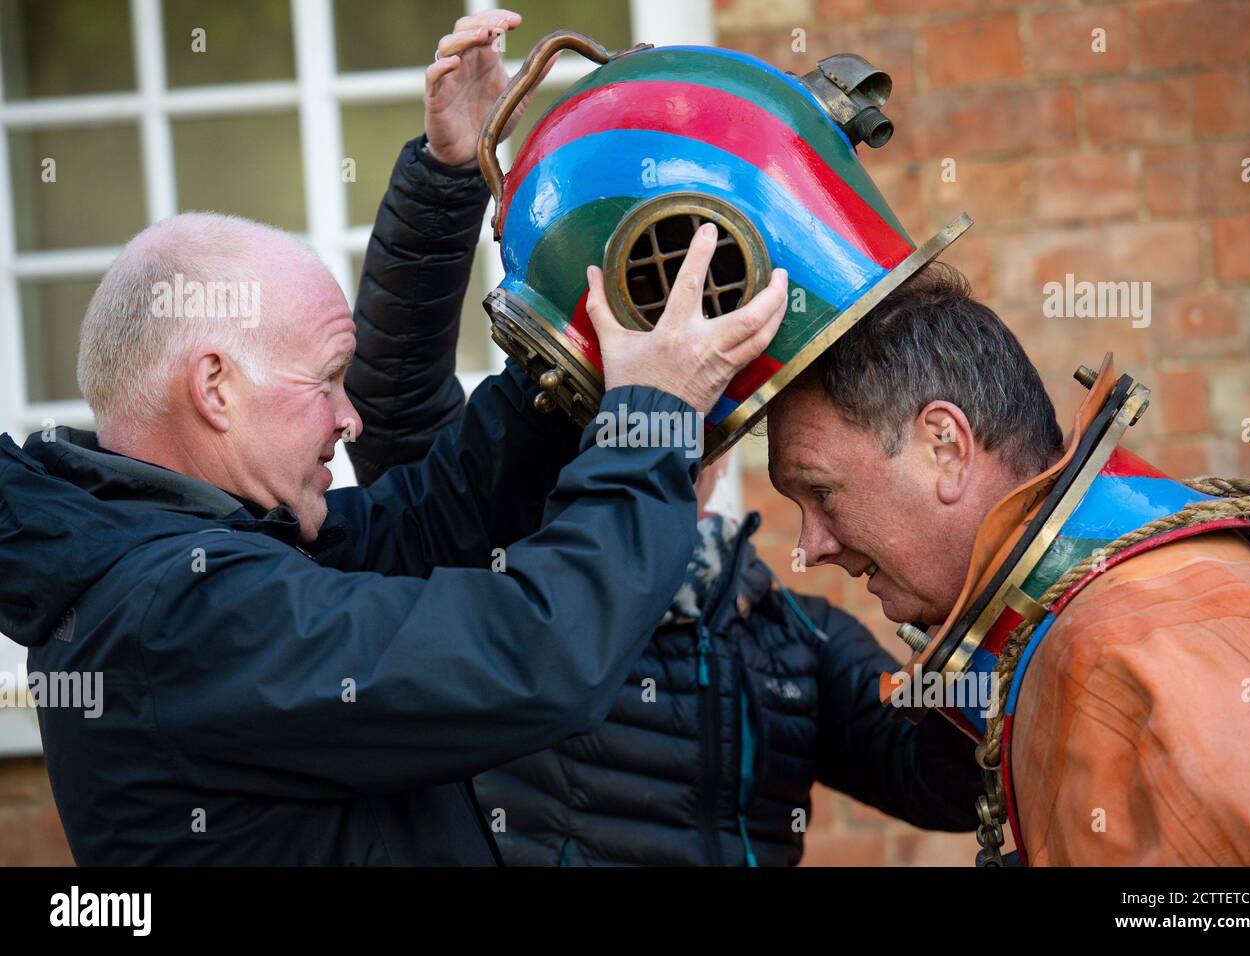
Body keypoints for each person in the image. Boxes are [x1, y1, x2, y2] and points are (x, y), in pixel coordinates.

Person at [0, 60, 791, 862]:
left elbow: (432, 515)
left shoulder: (208, 557)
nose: (350, 420)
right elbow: (537, 658)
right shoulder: (179, 617)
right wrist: (652, 416)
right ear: (216, 388)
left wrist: (572, 321)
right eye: (327, 382)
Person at [342, 8, 983, 867]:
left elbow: (937, 778)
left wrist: (969, 591)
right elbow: (394, 405)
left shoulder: (785, 636)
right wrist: (451, 172)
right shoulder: (510, 588)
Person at [765, 262, 1250, 865]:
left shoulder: (1125, 643)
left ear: (946, 445)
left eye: (822, 493)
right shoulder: (1127, 613)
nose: (810, 548)